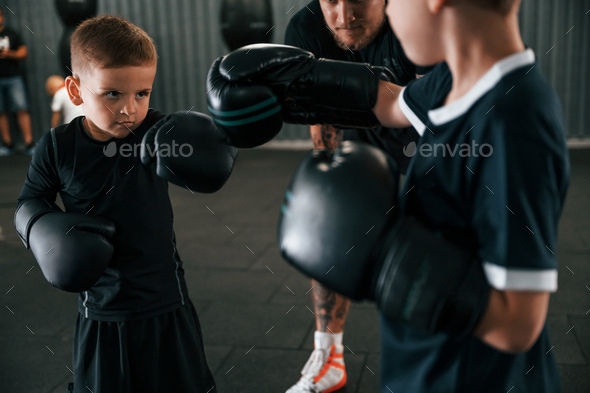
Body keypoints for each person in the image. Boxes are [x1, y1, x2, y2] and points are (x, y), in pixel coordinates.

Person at [206, 0, 570, 391]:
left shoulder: (512, 119)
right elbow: (392, 101)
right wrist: (305, 79)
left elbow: (518, 324)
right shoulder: (455, 82)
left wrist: (387, 258)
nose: (391, 11)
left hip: (470, 378)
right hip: (424, 362)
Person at [15, 15, 238, 393]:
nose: (129, 109)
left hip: (166, 299)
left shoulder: (159, 132)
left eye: (142, 93)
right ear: (75, 91)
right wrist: (43, 231)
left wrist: (226, 134)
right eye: (112, 94)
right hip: (101, 308)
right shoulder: (57, 146)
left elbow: (213, 156)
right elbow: (29, 200)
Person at [283, 1, 430, 392]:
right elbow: (322, 130)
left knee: (431, 241)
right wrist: (329, 187)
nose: (345, 15)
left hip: (418, 136)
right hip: (352, 131)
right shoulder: (306, 30)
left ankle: (432, 359)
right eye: (331, 0)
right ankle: (328, 355)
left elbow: (437, 117)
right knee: (330, 223)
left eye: (358, 0)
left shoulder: (411, 22)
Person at [0, 7, 35, 156]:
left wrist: (9, 54)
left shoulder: (11, 33)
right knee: (0, 112)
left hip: (13, 77)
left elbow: (24, 52)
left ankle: (29, 143)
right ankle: (7, 144)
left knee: (21, 108)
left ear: (2, 17)